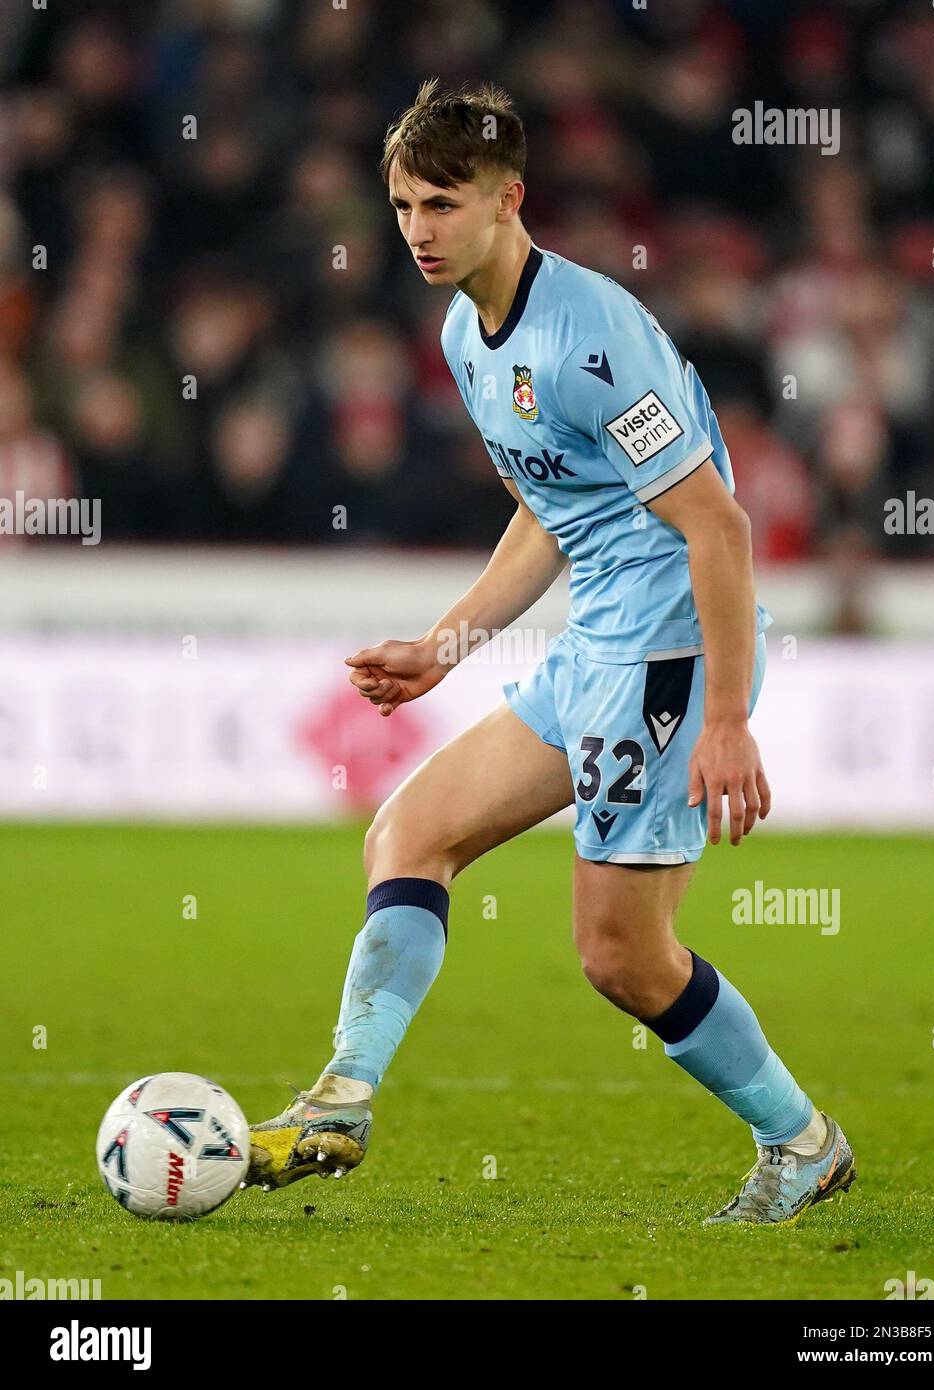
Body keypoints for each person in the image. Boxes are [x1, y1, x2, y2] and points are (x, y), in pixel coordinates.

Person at [245, 80, 856, 1225]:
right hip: (595, 644)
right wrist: (443, 648)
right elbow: (550, 510)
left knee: (621, 957)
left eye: (441, 203)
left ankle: (801, 1142)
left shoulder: (592, 340)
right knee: (407, 832)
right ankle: (343, 1098)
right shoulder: (464, 333)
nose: (418, 230)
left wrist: (724, 716)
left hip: (669, 654)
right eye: (401, 207)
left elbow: (717, 522)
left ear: (507, 198)